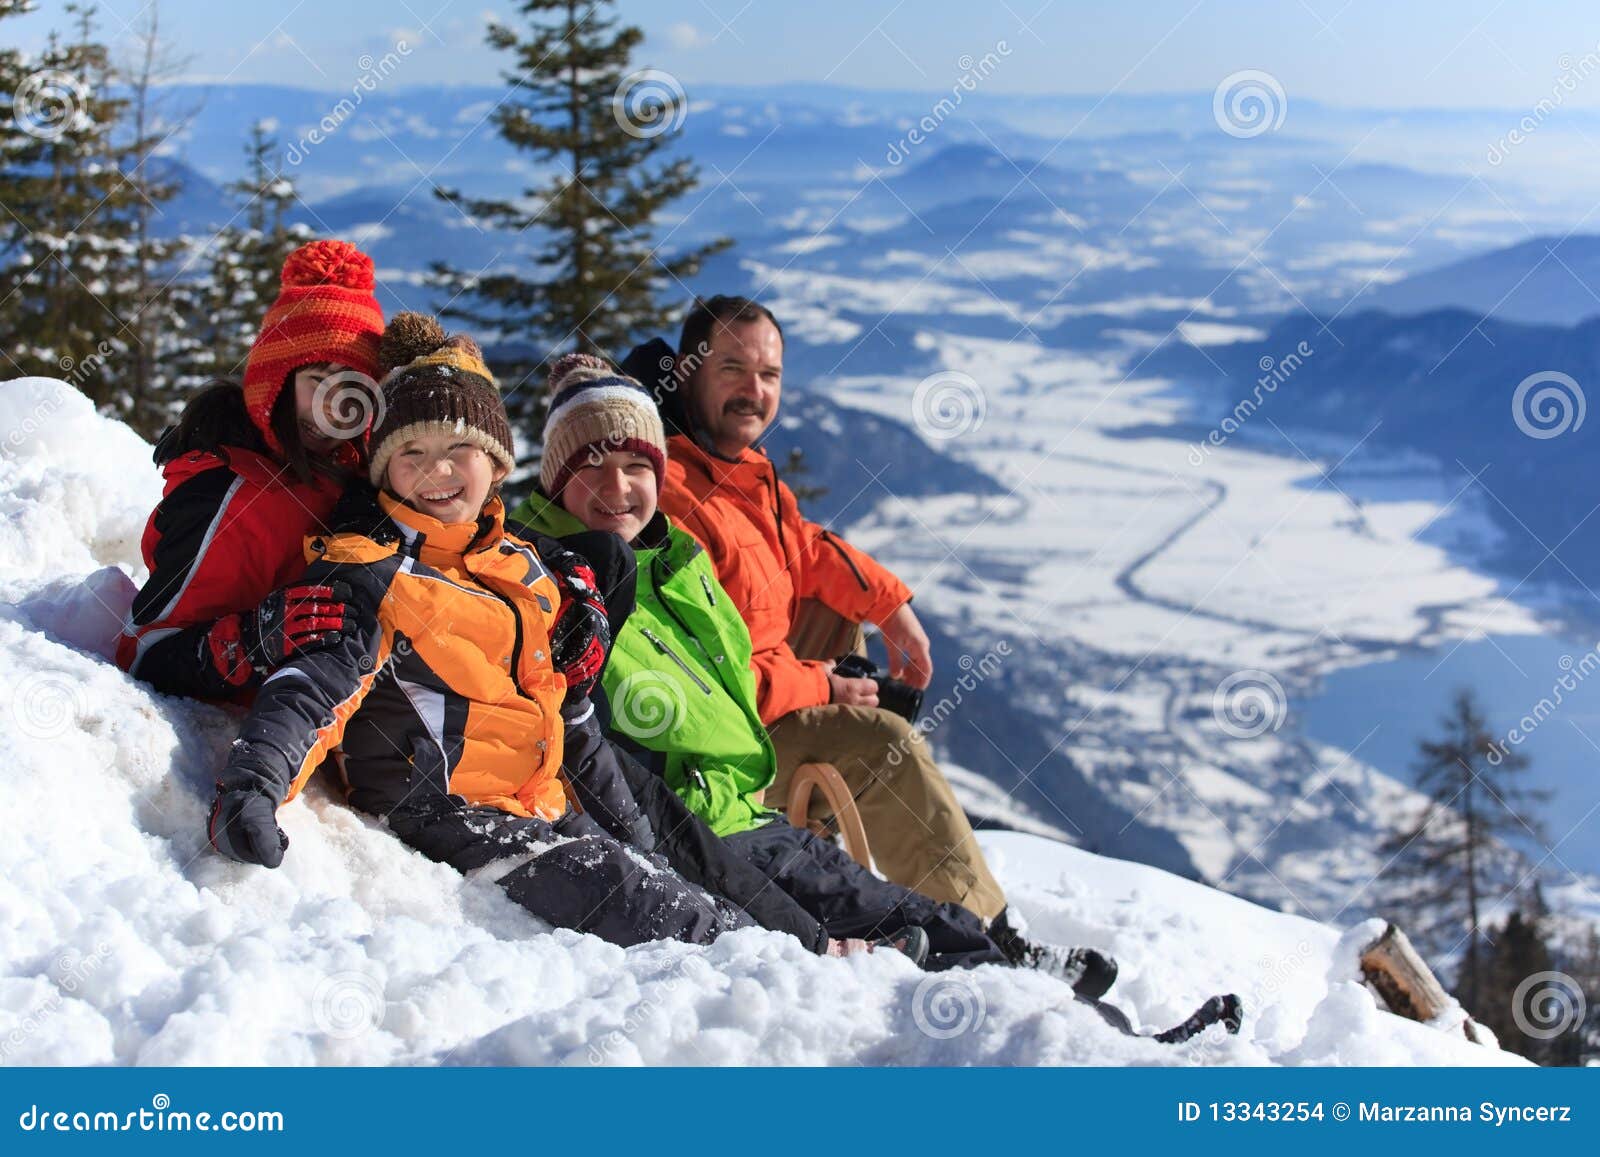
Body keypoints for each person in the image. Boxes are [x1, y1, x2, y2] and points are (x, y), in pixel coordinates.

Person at [512, 354, 1245, 1038]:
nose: (617, 488)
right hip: (708, 833)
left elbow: (786, 577)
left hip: (744, 807)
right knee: (913, 943)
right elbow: (601, 751)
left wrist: (885, 604)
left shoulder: (676, 554)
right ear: (553, 480)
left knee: (925, 920)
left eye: (636, 464)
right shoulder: (567, 582)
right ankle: (1087, 1042)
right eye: (591, 466)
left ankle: (1088, 1022)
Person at [202, 313, 906, 957]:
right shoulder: (372, 576)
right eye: (410, 452)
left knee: (651, 865)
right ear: (384, 468)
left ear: (498, 463)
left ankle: (783, 951)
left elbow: (575, 727)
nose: (437, 471)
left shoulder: (525, 570)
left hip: (534, 798)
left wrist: (636, 835)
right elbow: (309, 691)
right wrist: (254, 788)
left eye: (459, 448)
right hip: (446, 810)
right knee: (624, 886)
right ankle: (769, 963)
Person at [627, 295, 1082, 979]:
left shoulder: (741, 471)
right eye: (732, 369)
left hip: (761, 688)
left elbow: (801, 549)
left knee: (839, 615)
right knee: (887, 745)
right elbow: (710, 682)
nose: (755, 391)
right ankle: (989, 940)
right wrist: (829, 685)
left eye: (770, 374)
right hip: (720, 745)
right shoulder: (676, 497)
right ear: (688, 372)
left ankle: (827, 825)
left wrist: (892, 604)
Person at [117, 239, 384, 702]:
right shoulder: (226, 497)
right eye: (317, 382)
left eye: (353, 389)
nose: (332, 411)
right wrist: (252, 640)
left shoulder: (355, 475)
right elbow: (144, 652)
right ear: (275, 380)